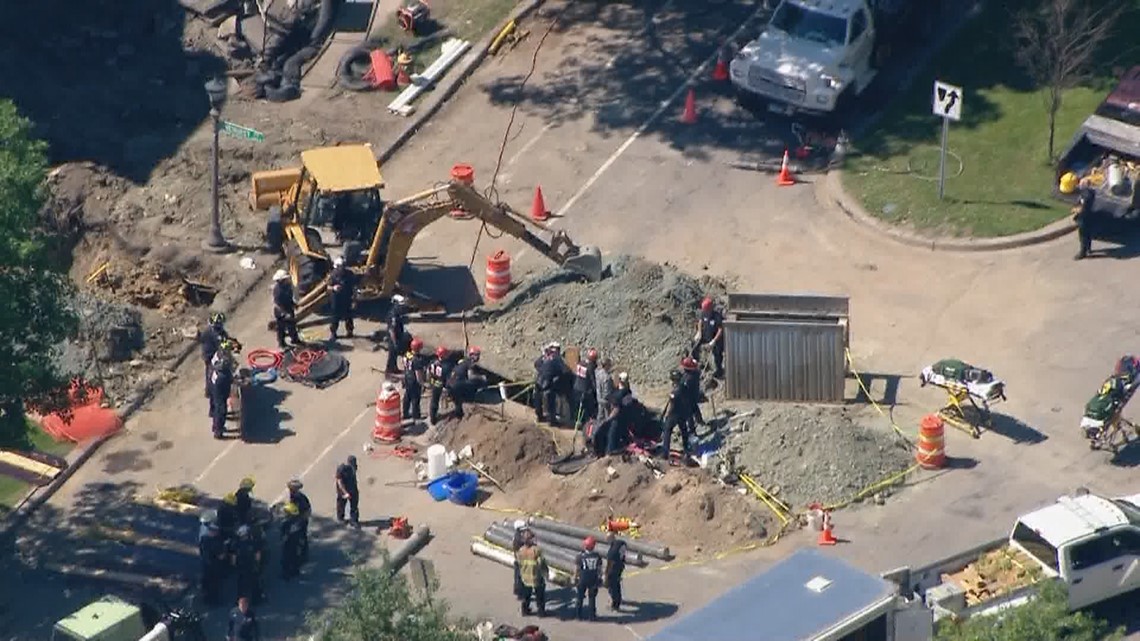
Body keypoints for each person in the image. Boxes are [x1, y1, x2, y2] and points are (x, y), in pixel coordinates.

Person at [661, 370, 694, 462]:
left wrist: (666, 415)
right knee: (684, 431)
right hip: (682, 413)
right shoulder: (684, 387)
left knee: (667, 431)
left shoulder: (675, 392)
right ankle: (686, 448)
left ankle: (665, 453)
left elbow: (671, 405)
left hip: (674, 414)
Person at [515, 527, 548, 617]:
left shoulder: (520, 551)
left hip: (525, 578)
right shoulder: (536, 550)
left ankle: (525, 611)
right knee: (540, 596)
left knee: (526, 596)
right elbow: (542, 563)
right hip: (536, 577)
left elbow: (519, 563)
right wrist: (546, 573)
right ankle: (541, 612)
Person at [447, 347, 486, 420]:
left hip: (449, 385)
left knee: (458, 402)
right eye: (477, 355)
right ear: (472, 355)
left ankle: (459, 413)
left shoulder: (463, 361)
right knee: (475, 382)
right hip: (456, 385)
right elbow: (471, 376)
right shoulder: (470, 363)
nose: (478, 357)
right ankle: (471, 398)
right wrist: (481, 377)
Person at [533, 343, 568, 426]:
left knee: (538, 401)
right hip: (548, 384)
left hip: (539, 382)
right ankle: (552, 421)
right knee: (551, 403)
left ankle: (539, 417)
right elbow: (564, 371)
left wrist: (542, 370)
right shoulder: (557, 359)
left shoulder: (544, 357)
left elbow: (536, 364)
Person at [208, 345, 236, 440]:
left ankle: (213, 416)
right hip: (219, 388)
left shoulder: (217, 355)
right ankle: (218, 431)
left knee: (215, 404)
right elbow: (230, 379)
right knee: (221, 409)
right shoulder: (223, 373)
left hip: (213, 383)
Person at [693, 296, 725, 379]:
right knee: (694, 344)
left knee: (717, 354)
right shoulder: (703, 313)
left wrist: (714, 341)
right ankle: (695, 362)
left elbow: (720, 329)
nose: (704, 312)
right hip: (705, 335)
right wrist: (699, 332)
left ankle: (719, 371)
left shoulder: (716, 316)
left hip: (715, 338)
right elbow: (700, 321)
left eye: (706, 310)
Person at [198, 516, 226, 606]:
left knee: (206, 582)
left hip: (206, 564)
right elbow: (221, 556)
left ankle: (205, 599)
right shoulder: (216, 543)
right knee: (215, 585)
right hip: (215, 566)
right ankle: (214, 602)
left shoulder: (203, 539)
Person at [573, 536, 603, 621]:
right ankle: (592, 616)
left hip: (582, 578)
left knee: (579, 597)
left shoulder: (580, 556)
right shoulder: (597, 556)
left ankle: (578, 615)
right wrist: (600, 578)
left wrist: (575, 578)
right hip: (593, 579)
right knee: (592, 598)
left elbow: (577, 569)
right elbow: (599, 569)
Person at [200, 312, 230, 397]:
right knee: (212, 373)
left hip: (207, 354)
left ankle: (209, 391)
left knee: (209, 373)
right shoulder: (215, 334)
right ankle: (211, 391)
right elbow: (221, 344)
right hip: (210, 355)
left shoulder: (208, 331)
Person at [231, 526, 262, 603]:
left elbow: (233, 557)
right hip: (251, 565)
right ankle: (256, 599)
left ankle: (240, 600)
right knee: (254, 582)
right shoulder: (253, 542)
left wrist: (234, 565)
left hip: (241, 566)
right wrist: (257, 564)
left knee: (241, 585)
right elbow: (257, 555)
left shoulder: (236, 544)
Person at [272, 269, 301, 350]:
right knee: (281, 328)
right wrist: (285, 313)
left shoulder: (287, 287)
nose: (288, 280)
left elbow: (289, 297)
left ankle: (295, 340)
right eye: (285, 279)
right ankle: (282, 344)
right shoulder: (278, 291)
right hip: (281, 312)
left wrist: (293, 304)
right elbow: (277, 304)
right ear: (281, 280)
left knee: (292, 325)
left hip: (288, 308)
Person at [328, 256, 356, 340]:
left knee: (348, 316)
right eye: (340, 266)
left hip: (347, 298)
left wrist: (354, 299)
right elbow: (328, 287)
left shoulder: (350, 274)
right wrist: (333, 288)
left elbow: (354, 287)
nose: (342, 268)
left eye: (343, 266)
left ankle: (350, 331)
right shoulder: (333, 275)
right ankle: (333, 333)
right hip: (336, 299)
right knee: (335, 317)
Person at [402, 337, 428, 421]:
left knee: (407, 397)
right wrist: (423, 384)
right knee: (415, 399)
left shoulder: (407, 354)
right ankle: (416, 416)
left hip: (406, 378)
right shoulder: (417, 360)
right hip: (414, 381)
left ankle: (405, 413)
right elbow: (418, 375)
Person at [427, 346, 454, 425]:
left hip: (433, 383)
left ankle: (432, 417)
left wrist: (429, 382)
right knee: (437, 400)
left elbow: (428, 373)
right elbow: (448, 378)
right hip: (441, 385)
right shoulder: (446, 366)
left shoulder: (432, 362)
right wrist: (446, 388)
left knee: (434, 401)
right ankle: (434, 419)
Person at [286, 479, 311, 562]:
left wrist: (301, 520)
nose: (290, 490)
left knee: (302, 537)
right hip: (294, 519)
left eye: (292, 489)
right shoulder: (293, 496)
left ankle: (304, 554)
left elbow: (307, 511)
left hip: (301, 519)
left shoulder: (301, 498)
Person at [573, 348, 599, 426]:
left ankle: (577, 421)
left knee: (577, 408)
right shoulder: (590, 367)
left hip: (576, 388)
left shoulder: (580, 363)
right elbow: (592, 380)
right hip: (585, 391)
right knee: (588, 407)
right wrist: (596, 391)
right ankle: (586, 423)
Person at [279, 502, 305, 580]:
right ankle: (295, 570)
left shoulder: (286, 523)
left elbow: (284, 534)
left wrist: (283, 540)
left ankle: (286, 574)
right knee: (295, 557)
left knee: (286, 559)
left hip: (288, 544)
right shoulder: (299, 522)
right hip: (296, 543)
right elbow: (302, 533)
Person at [385, 294, 409, 375]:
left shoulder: (397, 313)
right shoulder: (393, 315)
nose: (401, 307)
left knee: (394, 354)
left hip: (397, 336)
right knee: (392, 353)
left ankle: (394, 368)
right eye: (400, 305)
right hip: (394, 338)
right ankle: (389, 370)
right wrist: (394, 342)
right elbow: (392, 330)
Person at [604, 532, 627, 611]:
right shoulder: (621, 544)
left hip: (613, 570)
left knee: (612, 587)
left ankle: (615, 604)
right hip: (620, 566)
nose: (606, 541)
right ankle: (618, 599)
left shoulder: (612, 552)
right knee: (617, 584)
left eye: (607, 539)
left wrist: (606, 575)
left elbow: (609, 564)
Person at [335, 455, 360, 527]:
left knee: (354, 506)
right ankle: (340, 518)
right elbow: (339, 482)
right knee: (341, 505)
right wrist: (345, 493)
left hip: (352, 488)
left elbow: (354, 476)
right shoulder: (342, 469)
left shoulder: (354, 467)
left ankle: (354, 520)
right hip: (343, 490)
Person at [1073, 182, 1096, 260]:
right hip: (1088, 217)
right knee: (1087, 234)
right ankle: (1088, 248)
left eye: (1081, 184)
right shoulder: (1089, 193)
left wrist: (1076, 210)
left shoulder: (1086, 195)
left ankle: (1083, 252)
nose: (1079, 185)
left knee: (1083, 235)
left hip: (1084, 217)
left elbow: (1083, 207)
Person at [680, 357, 705, 425]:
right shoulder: (696, 373)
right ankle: (700, 421)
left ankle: (691, 428)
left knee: (689, 413)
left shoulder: (688, 378)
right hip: (694, 395)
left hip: (689, 397)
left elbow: (683, 387)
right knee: (695, 409)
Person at [510, 520, 527, 598]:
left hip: (517, 559)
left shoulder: (517, 536)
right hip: (521, 560)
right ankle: (520, 593)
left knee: (517, 575)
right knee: (521, 576)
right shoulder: (519, 538)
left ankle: (517, 590)